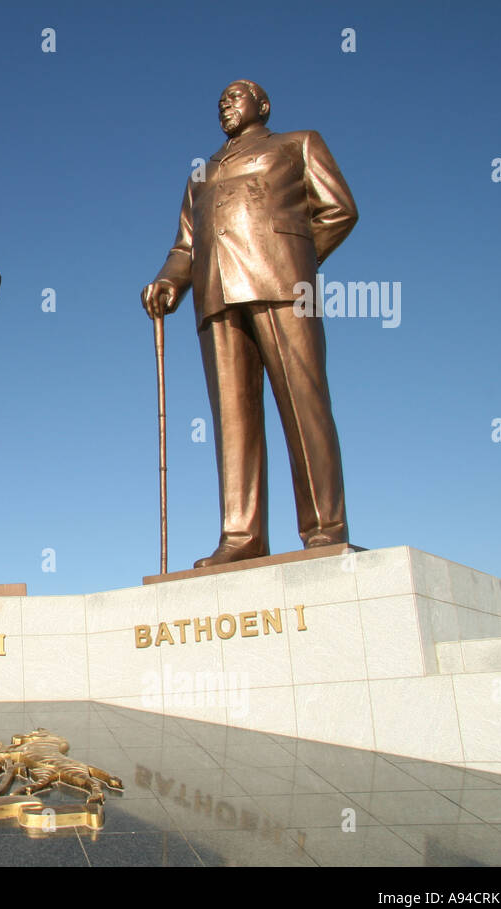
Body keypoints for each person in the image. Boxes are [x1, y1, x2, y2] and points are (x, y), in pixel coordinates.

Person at [142, 80, 359, 569]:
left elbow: (339, 210)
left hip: (282, 284)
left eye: (236, 95)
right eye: (219, 98)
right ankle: (241, 534)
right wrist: (169, 281)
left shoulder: (297, 144)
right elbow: (186, 244)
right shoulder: (202, 172)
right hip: (216, 293)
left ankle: (325, 526)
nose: (225, 102)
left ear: (262, 105)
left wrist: (293, 259)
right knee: (232, 419)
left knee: (304, 403)